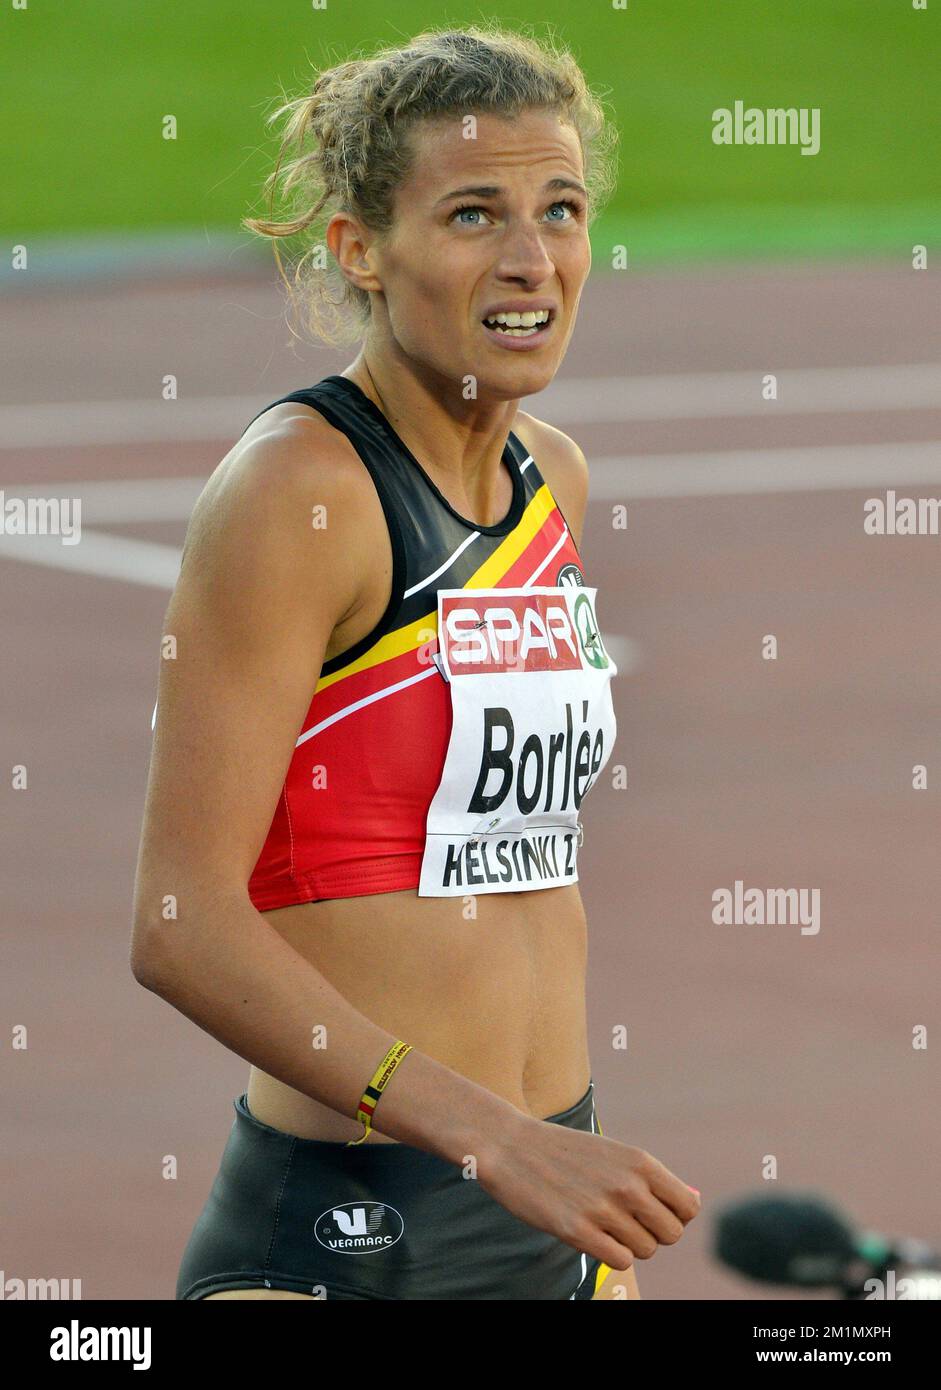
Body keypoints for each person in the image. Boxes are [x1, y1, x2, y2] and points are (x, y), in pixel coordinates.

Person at [130, 23, 700, 1301]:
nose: (529, 258)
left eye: (559, 208)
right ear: (359, 252)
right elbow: (178, 925)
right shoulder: (299, 494)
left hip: (556, 1205)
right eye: (470, 215)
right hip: (351, 1233)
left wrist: (535, 1148)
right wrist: (489, 1133)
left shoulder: (549, 476)